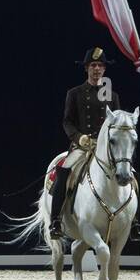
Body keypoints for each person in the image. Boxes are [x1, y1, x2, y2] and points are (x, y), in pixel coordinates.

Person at [51, 48, 122, 239]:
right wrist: (79, 137)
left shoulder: (112, 96)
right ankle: (55, 220)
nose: (97, 69)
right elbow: (67, 121)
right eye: (93, 65)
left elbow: (116, 123)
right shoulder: (74, 93)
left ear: (104, 69)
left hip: (105, 148)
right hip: (82, 146)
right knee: (64, 172)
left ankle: (134, 222)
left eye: (100, 65)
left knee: (129, 173)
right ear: (86, 69)